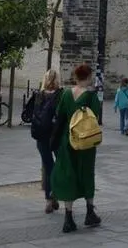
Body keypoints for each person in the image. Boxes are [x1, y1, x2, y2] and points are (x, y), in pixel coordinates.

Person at [50, 64, 102, 234]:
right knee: (87, 174)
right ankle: (89, 212)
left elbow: (60, 115)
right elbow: (96, 117)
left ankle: (69, 218)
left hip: (68, 141)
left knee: (68, 176)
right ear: (87, 77)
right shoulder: (91, 95)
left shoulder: (65, 94)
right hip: (85, 142)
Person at [31, 69, 62, 214]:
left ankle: (49, 199)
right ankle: (56, 192)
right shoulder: (61, 94)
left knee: (48, 165)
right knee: (60, 165)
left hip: (41, 136)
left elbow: (33, 113)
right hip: (56, 135)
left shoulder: (39, 95)